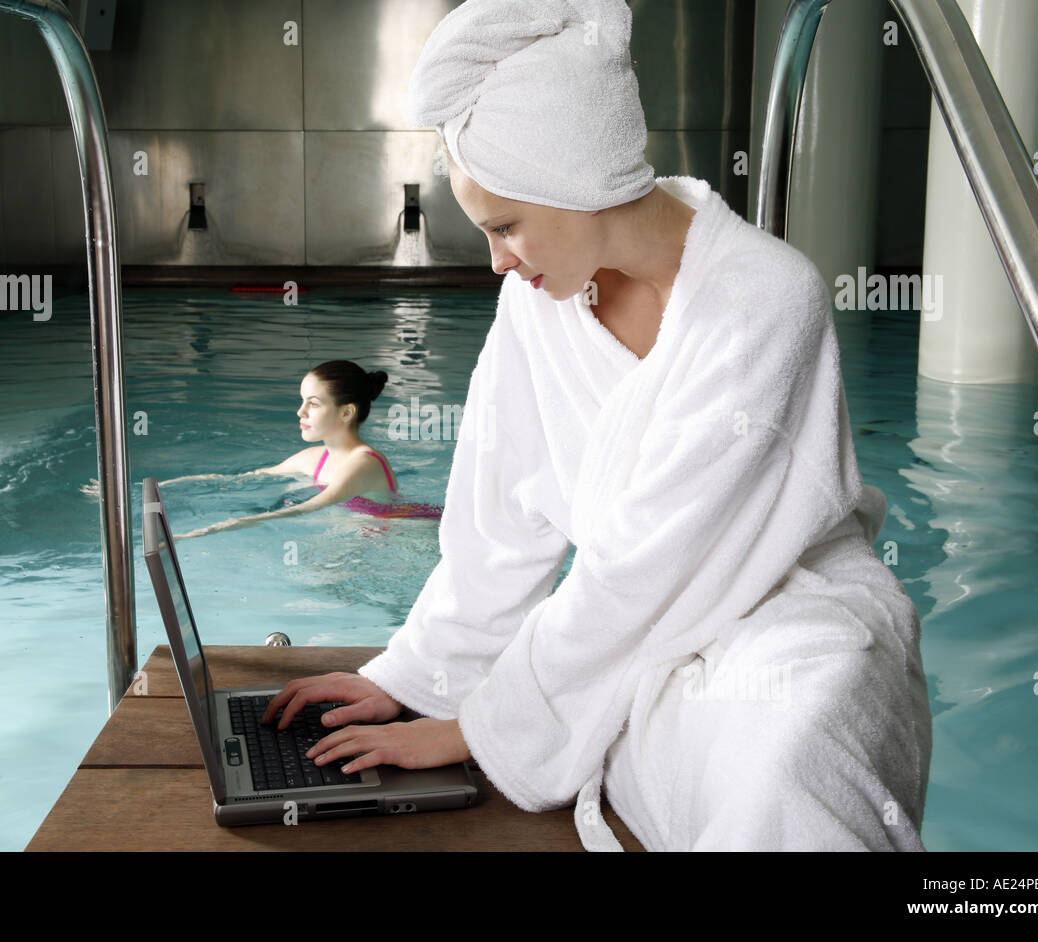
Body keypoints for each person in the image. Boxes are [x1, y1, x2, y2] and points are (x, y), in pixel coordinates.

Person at [259, 0, 932, 852]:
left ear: (575, 182)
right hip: (634, 630)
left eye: (505, 226)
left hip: (787, 609)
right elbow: (498, 521)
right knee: (667, 756)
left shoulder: (765, 297)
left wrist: (479, 731)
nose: (497, 259)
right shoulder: (535, 306)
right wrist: (415, 678)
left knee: (786, 768)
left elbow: (652, 559)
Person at [173, 360, 443, 539]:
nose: (300, 411)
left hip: (411, 532)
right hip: (365, 532)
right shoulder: (313, 458)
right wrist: (175, 484)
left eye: (313, 403)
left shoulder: (364, 463)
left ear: (347, 412)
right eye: (302, 401)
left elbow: (313, 506)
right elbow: (249, 478)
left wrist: (226, 526)